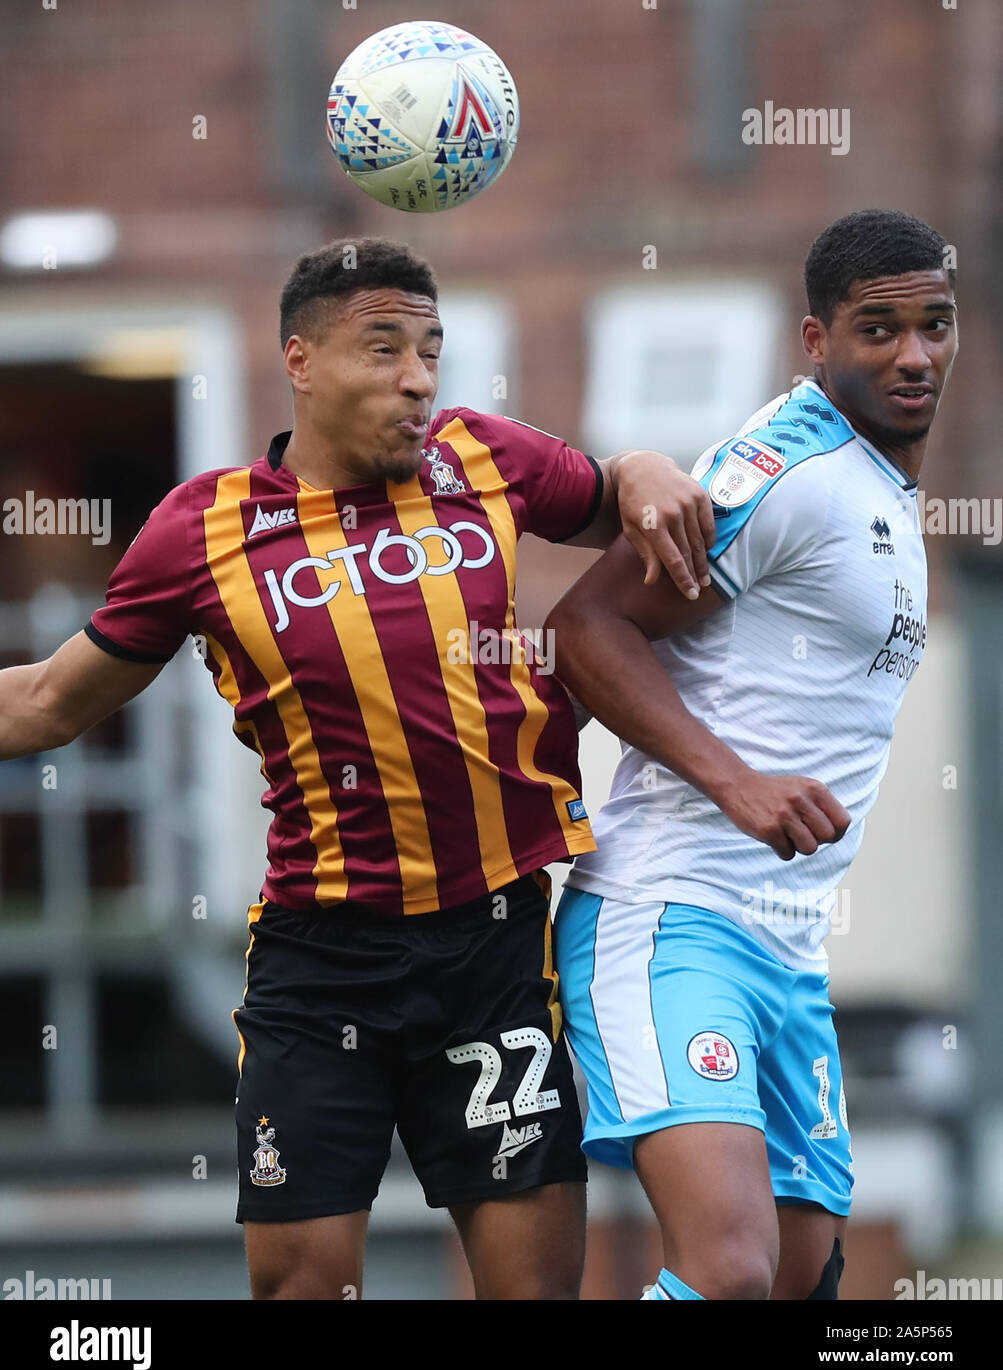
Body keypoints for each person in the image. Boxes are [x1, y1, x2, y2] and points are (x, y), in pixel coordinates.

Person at [0, 236, 714, 1300]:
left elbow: (616, 495)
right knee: (302, 1286)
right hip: (317, 959)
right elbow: (50, 701)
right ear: (299, 359)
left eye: (430, 349)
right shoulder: (204, 528)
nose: (418, 377)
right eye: (384, 349)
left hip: (494, 951)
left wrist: (649, 464)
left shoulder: (482, 457)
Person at [548, 209, 958, 1300]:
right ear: (816, 342)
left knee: (801, 1284)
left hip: (786, 949)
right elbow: (589, 626)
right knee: (727, 1274)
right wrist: (735, 784)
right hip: (671, 913)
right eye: (878, 330)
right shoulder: (786, 466)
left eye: (933, 325)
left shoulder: (881, 489)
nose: (913, 354)